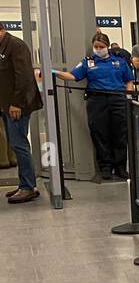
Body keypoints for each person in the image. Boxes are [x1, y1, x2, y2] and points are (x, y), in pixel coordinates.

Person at [44, 31, 134, 182]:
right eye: (96, 46)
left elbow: (129, 80)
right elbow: (73, 76)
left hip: (117, 99)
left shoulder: (119, 61)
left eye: (101, 46)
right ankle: (105, 167)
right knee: (100, 134)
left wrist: (128, 95)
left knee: (120, 134)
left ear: (107, 46)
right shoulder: (88, 62)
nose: (98, 49)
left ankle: (120, 167)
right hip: (96, 101)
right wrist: (53, 72)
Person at [0, 20, 42, 204]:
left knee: (19, 144)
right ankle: (25, 183)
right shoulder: (3, 46)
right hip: (6, 105)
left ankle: (28, 188)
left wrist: (16, 103)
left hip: (18, 105)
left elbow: (23, 76)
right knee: (16, 144)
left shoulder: (16, 46)